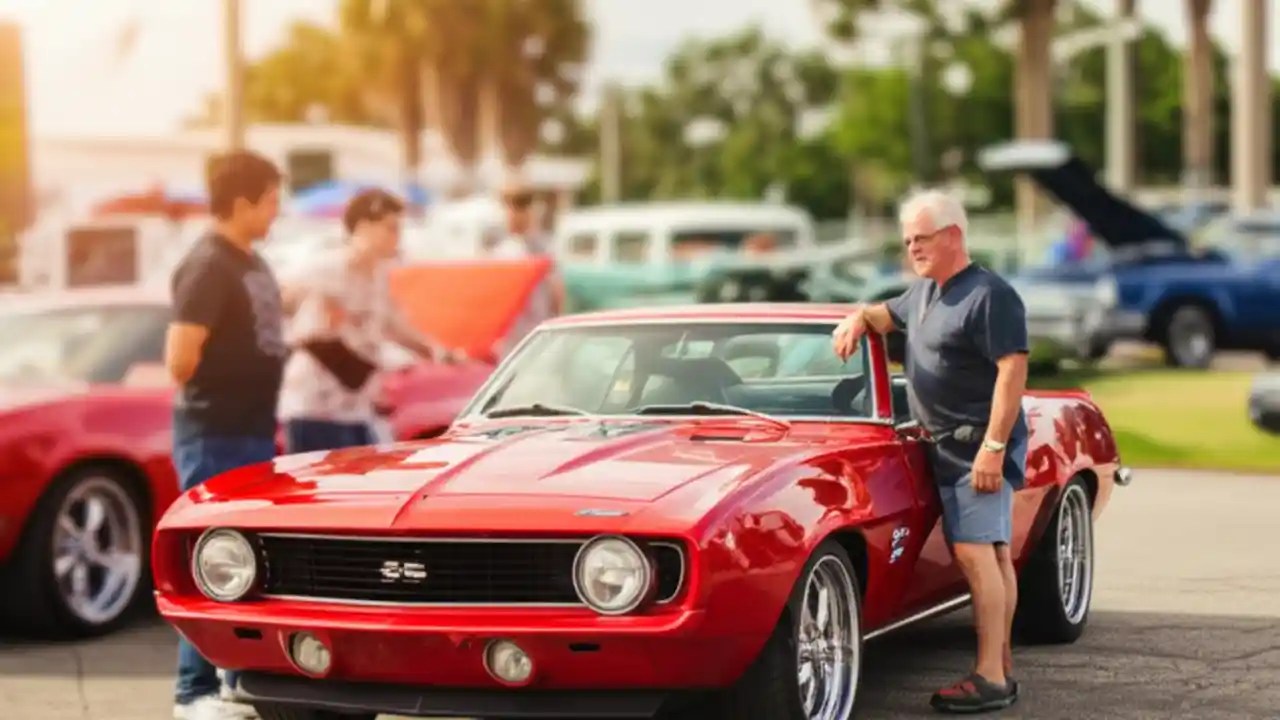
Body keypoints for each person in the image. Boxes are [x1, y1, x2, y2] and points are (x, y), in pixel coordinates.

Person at [831, 189, 1029, 714]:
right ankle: (1001, 665)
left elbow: (1012, 370)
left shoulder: (989, 294)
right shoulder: (924, 293)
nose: (913, 248)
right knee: (996, 554)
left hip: (976, 445)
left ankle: (990, 677)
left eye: (921, 238)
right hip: (946, 446)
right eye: (907, 240)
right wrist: (858, 318)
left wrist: (992, 447)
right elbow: (884, 315)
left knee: (975, 552)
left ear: (954, 236)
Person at [164, 150, 286, 720]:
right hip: (214, 431)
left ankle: (235, 681)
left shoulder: (250, 262)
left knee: (245, 562)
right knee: (209, 560)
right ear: (242, 202)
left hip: (253, 431)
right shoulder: (208, 265)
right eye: (271, 200)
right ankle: (194, 693)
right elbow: (180, 357)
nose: (276, 212)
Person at [277, 187, 465, 453]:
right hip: (314, 407)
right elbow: (277, 300)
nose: (397, 238)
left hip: (356, 407)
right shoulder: (325, 268)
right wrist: (312, 325)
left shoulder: (380, 276)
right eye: (390, 229)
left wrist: (438, 352)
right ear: (364, 227)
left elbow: (396, 326)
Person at [487, 176, 565, 356]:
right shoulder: (500, 254)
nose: (513, 213)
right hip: (510, 344)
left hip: (540, 339)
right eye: (509, 206)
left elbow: (558, 297)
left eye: (520, 206)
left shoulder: (545, 250)